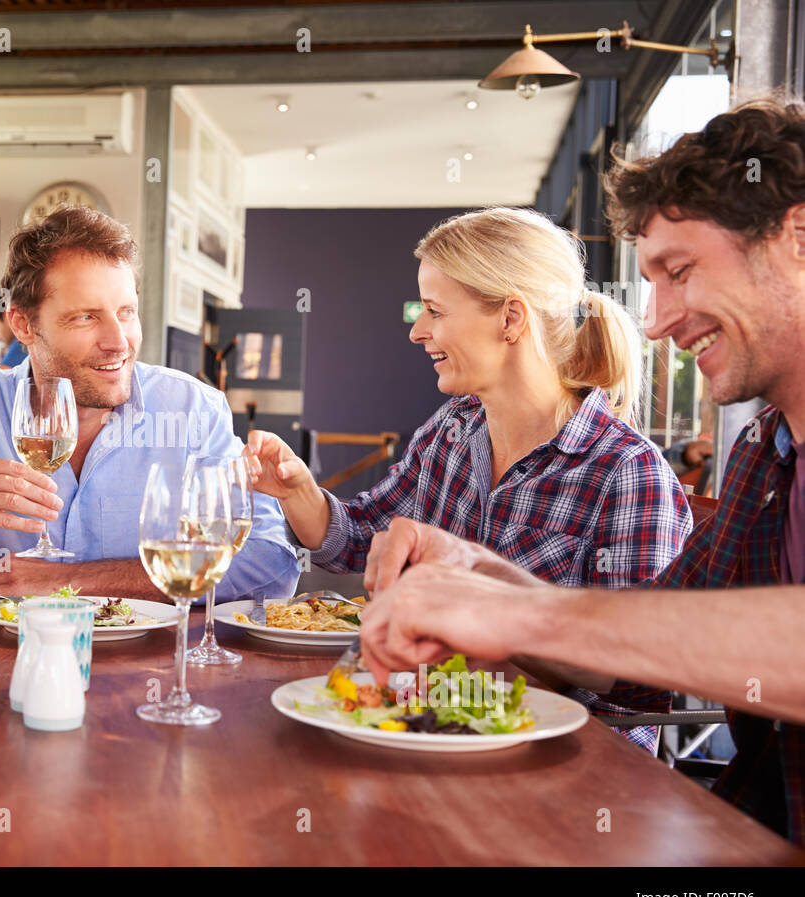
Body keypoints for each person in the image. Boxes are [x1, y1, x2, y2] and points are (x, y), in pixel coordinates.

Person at [357, 96, 805, 846]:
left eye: (680, 271)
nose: (656, 321)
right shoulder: (766, 454)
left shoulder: (658, 462)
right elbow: (648, 641)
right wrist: (485, 575)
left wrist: (513, 614)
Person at [246, 207, 691, 752]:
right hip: (431, 729)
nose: (417, 331)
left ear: (510, 319)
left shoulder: (627, 472)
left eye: (434, 310)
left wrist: (487, 615)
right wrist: (300, 493)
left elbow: (637, 682)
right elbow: (365, 539)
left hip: (566, 763)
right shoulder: (454, 428)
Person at [0, 205, 299, 601]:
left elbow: (270, 564)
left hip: (147, 679)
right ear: (22, 324)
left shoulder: (193, 409)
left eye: (126, 313)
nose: (118, 343)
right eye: (85, 317)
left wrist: (70, 582)